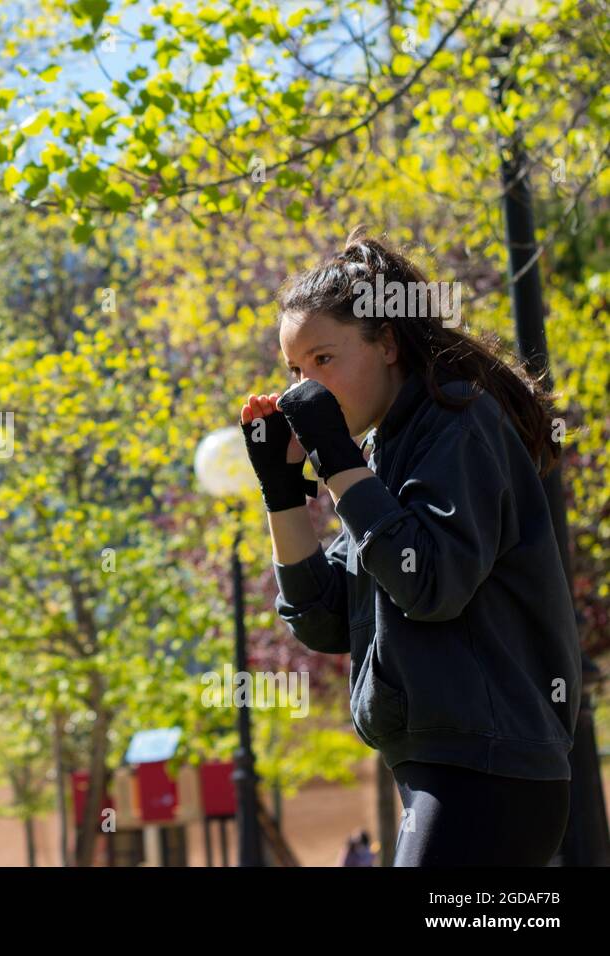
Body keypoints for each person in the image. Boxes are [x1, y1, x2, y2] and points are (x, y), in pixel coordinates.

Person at [239, 229, 581, 867]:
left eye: (323, 360)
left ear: (387, 342)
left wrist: (339, 463)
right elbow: (325, 618)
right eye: (294, 371)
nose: (301, 390)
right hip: (443, 774)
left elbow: (429, 581)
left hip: (490, 773)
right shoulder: (380, 455)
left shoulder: (458, 422)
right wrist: (283, 494)